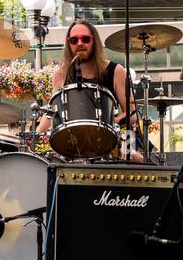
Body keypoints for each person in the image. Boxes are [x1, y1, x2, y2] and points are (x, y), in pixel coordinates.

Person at [37, 20, 143, 162]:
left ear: (94, 42)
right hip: (75, 142)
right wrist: (34, 135)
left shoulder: (116, 71)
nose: (80, 43)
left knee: (136, 158)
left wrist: (111, 123)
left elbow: (132, 113)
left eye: (85, 39)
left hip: (116, 136)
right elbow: (52, 111)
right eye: (74, 40)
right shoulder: (61, 73)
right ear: (69, 44)